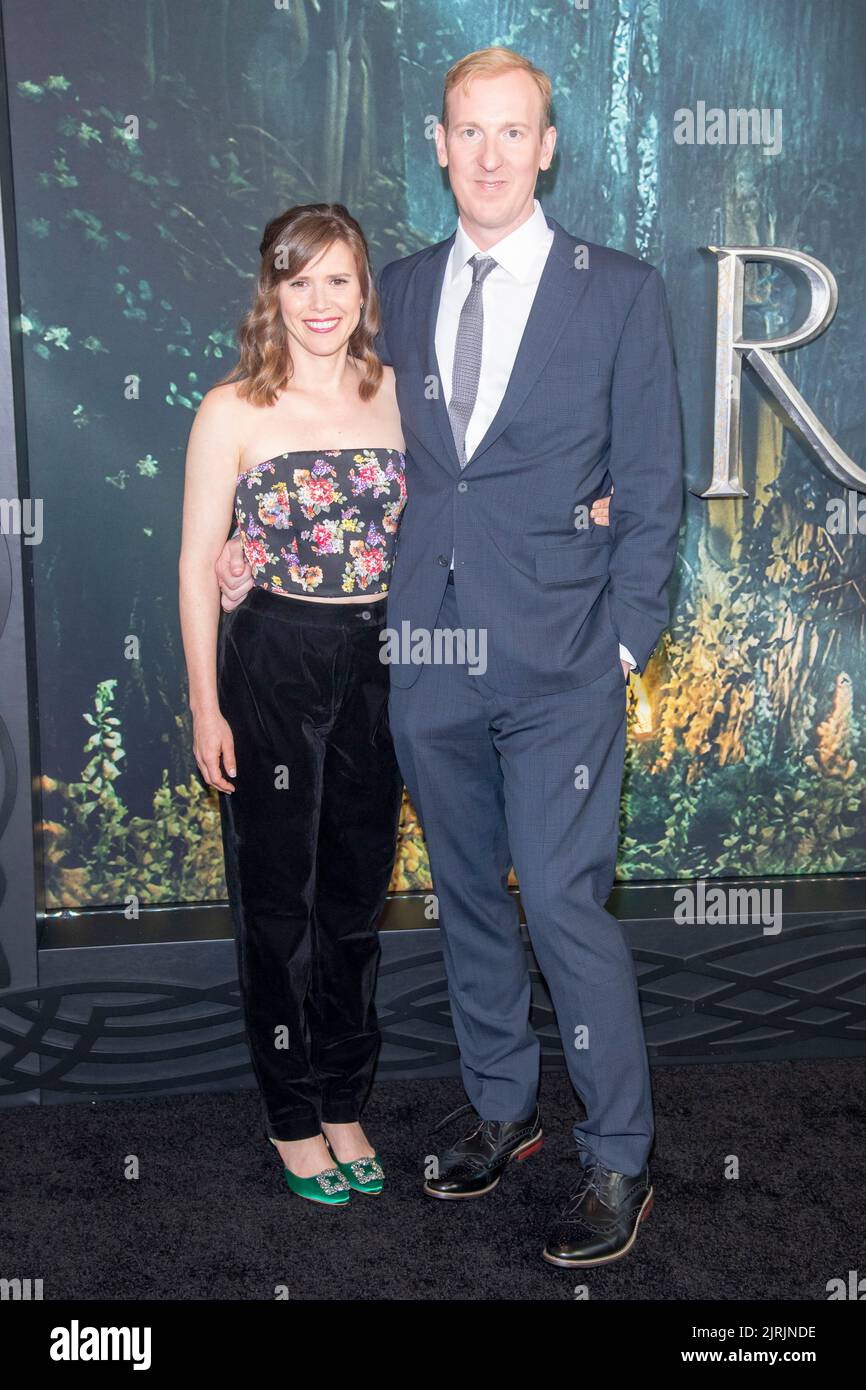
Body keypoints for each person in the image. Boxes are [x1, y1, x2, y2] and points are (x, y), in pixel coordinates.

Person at [215, 46, 682, 1265]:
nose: (487, 154)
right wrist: (239, 553)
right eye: (466, 131)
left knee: (565, 905)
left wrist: (623, 641)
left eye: (509, 132)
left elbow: (648, 489)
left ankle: (618, 1159)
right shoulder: (401, 293)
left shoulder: (619, 292)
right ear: (437, 144)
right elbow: (331, 443)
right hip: (421, 656)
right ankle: (500, 1107)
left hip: (564, 661)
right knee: (468, 897)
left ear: (546, 147)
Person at [178, 203, 408, 1205]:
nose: (319, 301)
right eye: (297, 278)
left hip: (383, 662)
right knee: (278, 906)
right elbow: (194, 565)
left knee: (355, 902)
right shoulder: (231, 408)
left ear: (365, 292)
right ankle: (289, 1114)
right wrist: (204, 706)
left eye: (338, 279)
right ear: (270, 290)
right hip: (270, 658)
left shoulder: (402, 396)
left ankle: (344, 1095)